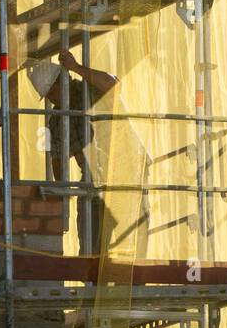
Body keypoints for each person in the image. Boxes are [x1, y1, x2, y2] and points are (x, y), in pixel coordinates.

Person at [26, 50, 152, 258]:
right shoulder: (57, 120)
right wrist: (61, 195)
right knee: (90, 243)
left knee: (132, 241)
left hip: (126, 169)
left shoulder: (90, 90)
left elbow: (114, 85)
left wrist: (76, 67)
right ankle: (93, 282)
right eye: (48, 96)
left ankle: (132, 284)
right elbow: (57, 161)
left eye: (51, 92)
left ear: (62, 81)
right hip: (94, 180)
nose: (51, 98)